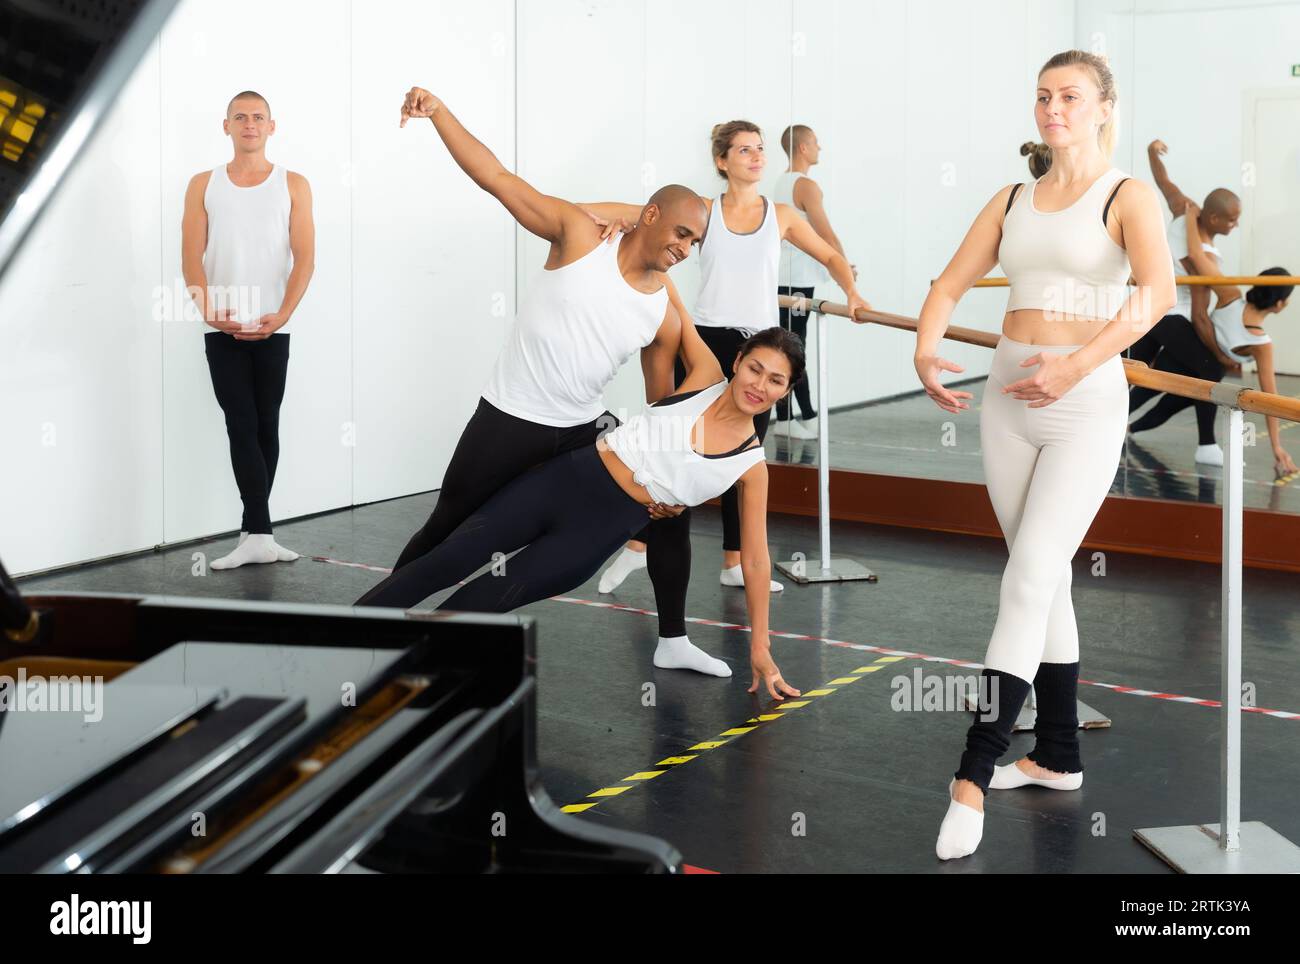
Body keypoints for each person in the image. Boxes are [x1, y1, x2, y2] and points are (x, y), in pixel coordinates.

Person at [355, 88, 738, 677]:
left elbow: (660, 405)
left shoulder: (663, 312)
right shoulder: (579, 236)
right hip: (507, 420)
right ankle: (370, 629)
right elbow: (497, 177)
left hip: (577, 431)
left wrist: (666, 482)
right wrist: (438, 113)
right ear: (650, 213)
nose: (686, 248)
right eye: (681, 232)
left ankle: (673, 637)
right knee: (446, 530)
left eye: (696, 243)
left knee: (671, 513)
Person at [914, 50, 1174, 860]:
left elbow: (1157, 295)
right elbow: (951, 281)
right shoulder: (1014, 197)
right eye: (1041, 97)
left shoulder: (1126, 195)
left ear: (1102, 106)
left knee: (1027, 577)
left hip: (1082, 406)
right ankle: (1057, 756)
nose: (1051, 108)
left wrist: (1076, 364)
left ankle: (971, 773)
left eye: (1068, 96)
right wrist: (926, 346)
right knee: (1045, 575)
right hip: (1005, 405)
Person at [355, 308, 807, 702]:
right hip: (564, 480)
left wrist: (760, 647)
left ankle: (390, 688)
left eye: (775, 380)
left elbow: (755, 559)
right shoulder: (704, 376)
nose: (759, 384)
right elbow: (672, 299)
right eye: (755, 369)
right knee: (439, 563)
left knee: (481, 600)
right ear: (737, 362)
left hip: (597, 532)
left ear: (784, 392)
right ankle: (321, 639)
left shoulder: (750, 466)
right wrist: (625, 224)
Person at [593, 120, 870, 628]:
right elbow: (641, 217)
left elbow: (830, 254)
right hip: (707, 343)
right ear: (722, 160)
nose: (757, 156)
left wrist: (852, 293)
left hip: (758, 351)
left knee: (737, 462)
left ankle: (733, 563)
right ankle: (638, 540)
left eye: (760, 149)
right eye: (745, 150)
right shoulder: (707, 212)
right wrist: (612, 227)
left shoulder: (781, 215)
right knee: (674, 449)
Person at [182, 90, 315, 570]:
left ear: (271, 126)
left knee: (266, 423)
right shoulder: (203, 183)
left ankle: (254, 532)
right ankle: (259, 532)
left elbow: (305, 256)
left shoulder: (293, 184)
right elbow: (190, 257)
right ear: (227, 126)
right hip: (224, 324)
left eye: (258, 117)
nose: (250, 124)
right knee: (239, 421)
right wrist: (207, 310)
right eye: (240, 117)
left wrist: (283, 314)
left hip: (271, 324)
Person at [1130, 139, 1242, 465]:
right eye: (1231, 219)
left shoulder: (1184, 208)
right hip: (1169, 315)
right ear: (1212, 217)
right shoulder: (1202, 258)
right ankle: (1207, 445)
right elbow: (1200, 316)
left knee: (1147, 373)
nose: (1235, 225)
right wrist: (1221, 354)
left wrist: (1151, 152)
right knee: (1209, 369)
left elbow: (1164, 182)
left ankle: (1125, 423)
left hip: (1151, 310)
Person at [771, 124, 855, 439]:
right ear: (803, 148)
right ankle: (796, 417)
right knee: (794, 351)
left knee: (790, 348)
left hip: (787, 278)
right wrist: (844, 268)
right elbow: (826, 233)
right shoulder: (806, 185)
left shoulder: (781, 182)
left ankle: (793, 417)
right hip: (796, 281)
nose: (820, 148)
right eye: (816, 143)